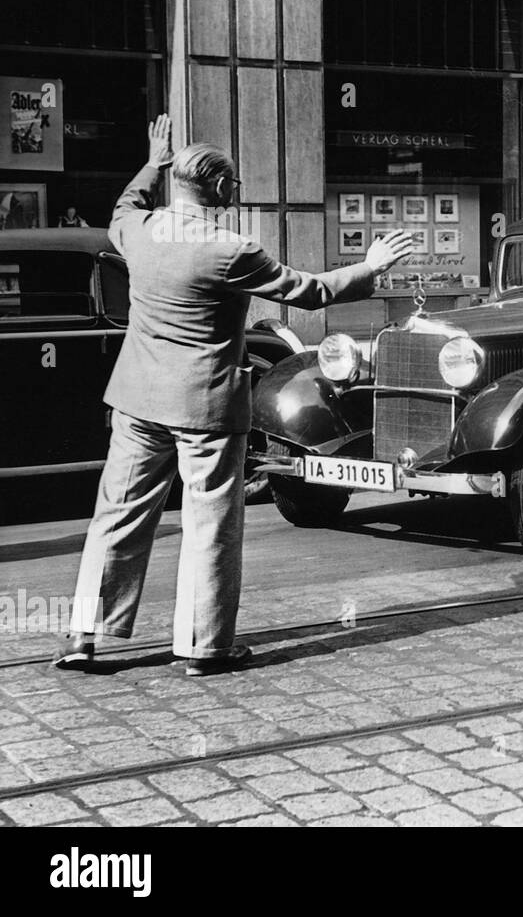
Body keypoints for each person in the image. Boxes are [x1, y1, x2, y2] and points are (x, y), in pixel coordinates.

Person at [53, 115, 413, 676]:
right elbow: (309, 291)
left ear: (178, 181)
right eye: (234, 186)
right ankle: (204, 647)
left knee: (117, 517)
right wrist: (369, 267)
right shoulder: (230, 249)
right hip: (206, 407)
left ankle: (84, 636)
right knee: (210, 524)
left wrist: (154, 160)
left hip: (138, 401)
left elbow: (124, 205)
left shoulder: (138, 230)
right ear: (221, 190)